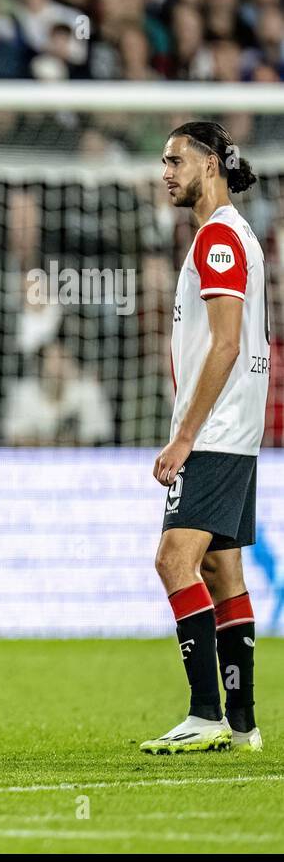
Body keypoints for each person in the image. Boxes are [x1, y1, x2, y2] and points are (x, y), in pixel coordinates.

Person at [144, 121, 265, 754]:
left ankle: (204, 712)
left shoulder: (219, 238)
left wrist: (184, 437)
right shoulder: (232, 233)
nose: (165, 172)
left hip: (215, 429)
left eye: (174, 160)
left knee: (174, 560)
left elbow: (225, 342)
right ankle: (242, 724)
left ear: (210, 163)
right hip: (235, 427)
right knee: (221, 569)